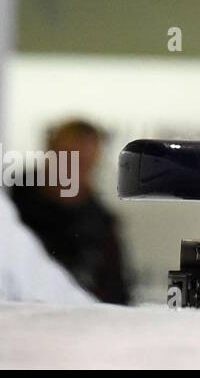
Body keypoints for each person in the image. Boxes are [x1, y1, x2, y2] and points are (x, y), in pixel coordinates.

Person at [9, 119, 130, 304]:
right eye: (68, 160)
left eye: (84, 163)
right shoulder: (12, 205)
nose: (74, 172)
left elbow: (117, 294)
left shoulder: (101, 225)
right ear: (50, 155)